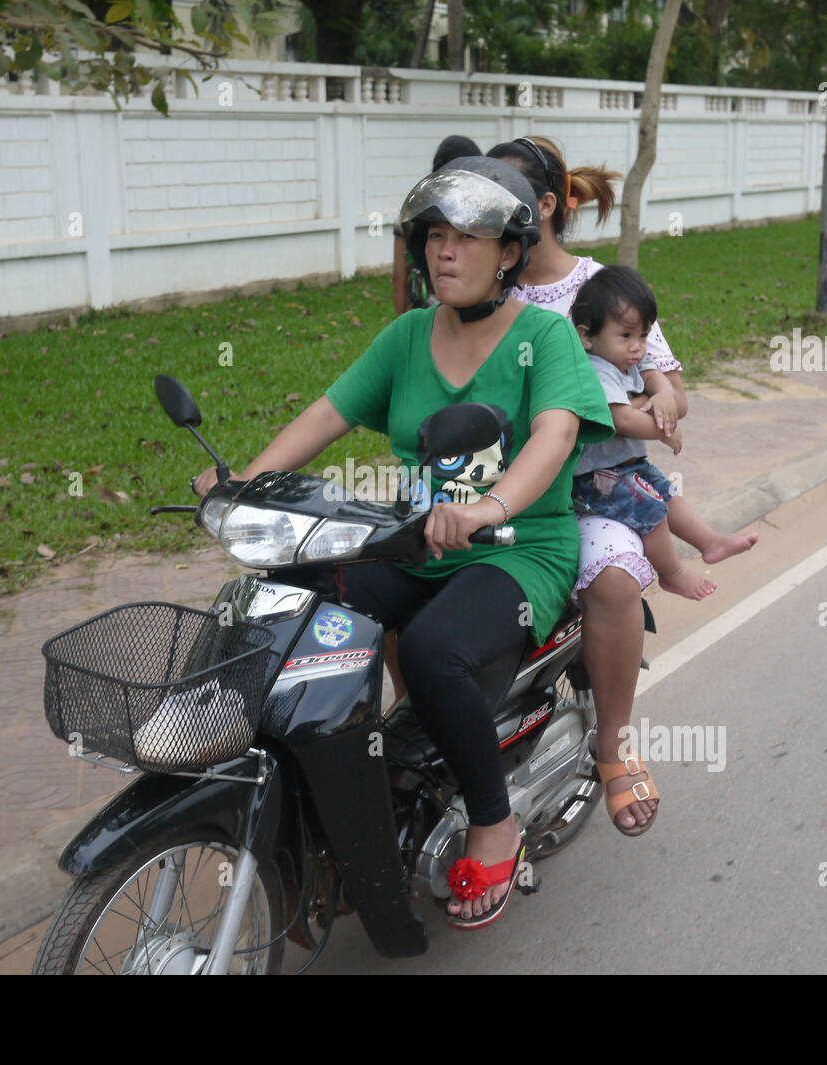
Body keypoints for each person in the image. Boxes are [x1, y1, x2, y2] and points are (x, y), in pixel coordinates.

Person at [194, 157, 613, 927]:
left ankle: (494, 820)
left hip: (520, 548)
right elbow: (326, 416)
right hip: (416, 539)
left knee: (429, 649)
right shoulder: (407, 335)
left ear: (509, 253)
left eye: (467, 237)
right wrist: (241, 482)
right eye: (434, 236)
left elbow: (553, 438)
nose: (444, 251)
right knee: (302, 598)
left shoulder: (546, 337)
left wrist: (489, 505)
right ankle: (339, 771)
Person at [488, 134, 684, 836]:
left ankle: (615, 742)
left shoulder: (597, 286)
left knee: (610, 578)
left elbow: (667, 384)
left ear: (543, 205)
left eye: (502, 198)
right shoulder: (482, 283)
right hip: (487, 484)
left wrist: (657, 398)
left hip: (587, 489)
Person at [569, 264, 757, 601]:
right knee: (651, 509)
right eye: (625, 335)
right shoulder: (594, 371)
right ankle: (672, 573)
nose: (637, 347)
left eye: (643, 336)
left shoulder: (626, 359)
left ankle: (709, 541)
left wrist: (664, 395)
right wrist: (663, 428)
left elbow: (653, 372)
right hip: (594, 479)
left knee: (667, 493)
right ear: (587, 336)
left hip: (625, 466)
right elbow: (621, 419)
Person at [391, 135, 481, 315]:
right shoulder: (480, 218)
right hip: (466, 317)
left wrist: (401, 320)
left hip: (422, 313)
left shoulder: (410, 217)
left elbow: (399, 277)